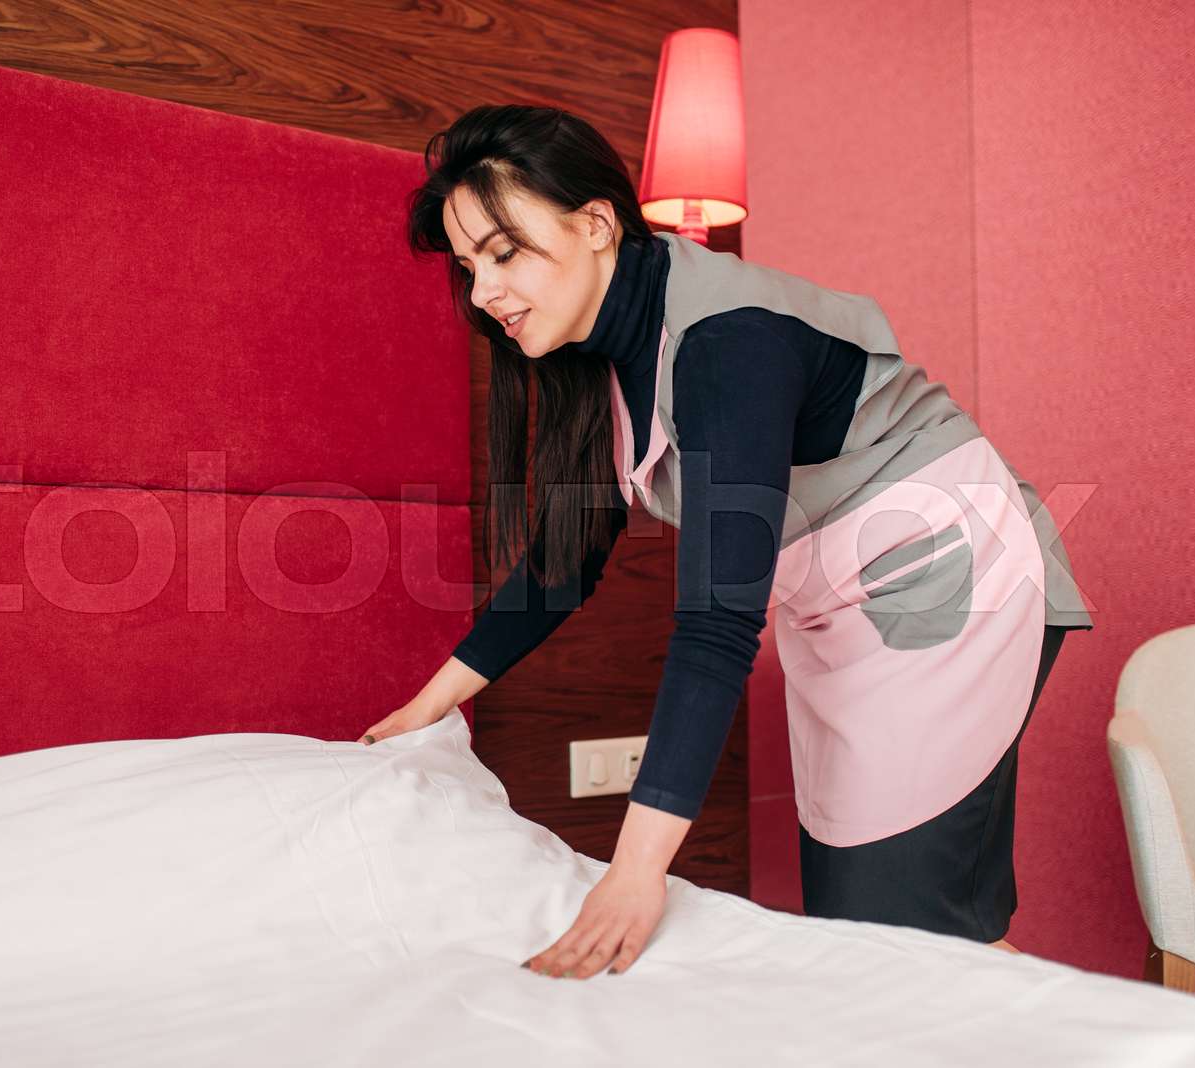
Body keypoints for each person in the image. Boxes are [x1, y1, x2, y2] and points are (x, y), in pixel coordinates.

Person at [356, 105, 1094, 980]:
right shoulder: (596, 354)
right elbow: (566, 563)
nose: (483, 294)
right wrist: (425, 709)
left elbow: (715, 624)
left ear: (596, 223)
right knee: (875, 928)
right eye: (469, 266)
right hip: (842, 608)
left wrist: (636, 875)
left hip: (945, 584)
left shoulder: (726, 341)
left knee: (904, 937)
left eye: (505, 253)